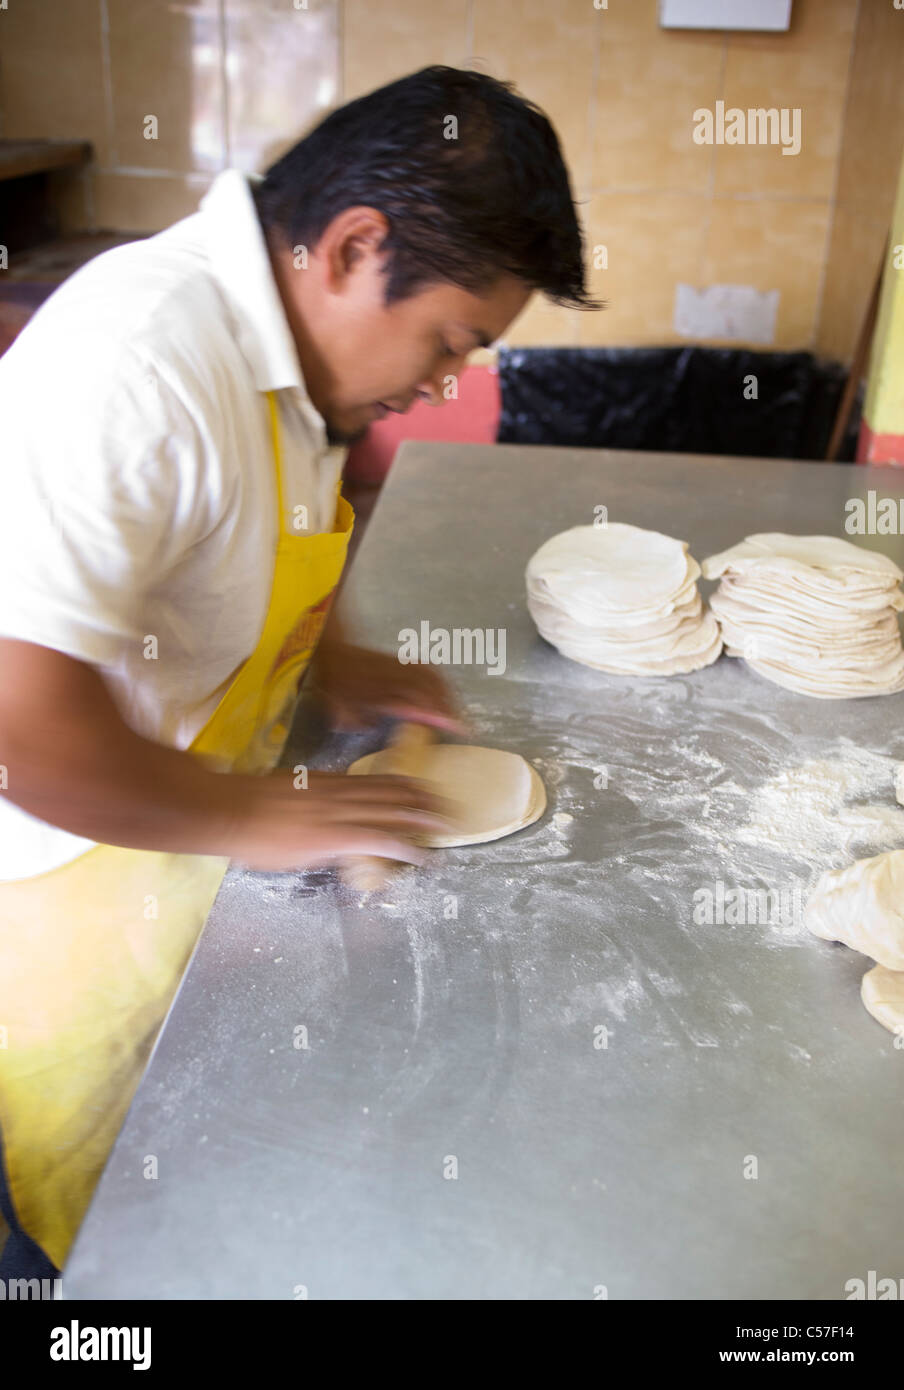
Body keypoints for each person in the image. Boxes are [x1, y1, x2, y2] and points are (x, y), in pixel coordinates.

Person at [0, 64, 598, 1274]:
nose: (443, 383)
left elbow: (241, 544)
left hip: (172, 861)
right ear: (351, 246)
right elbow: (24, 730)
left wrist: (343, 660)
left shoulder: (293, 365)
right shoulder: (141, 365)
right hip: (52, 914)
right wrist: (278, 813)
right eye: (448, 341)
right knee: (94, 1262)